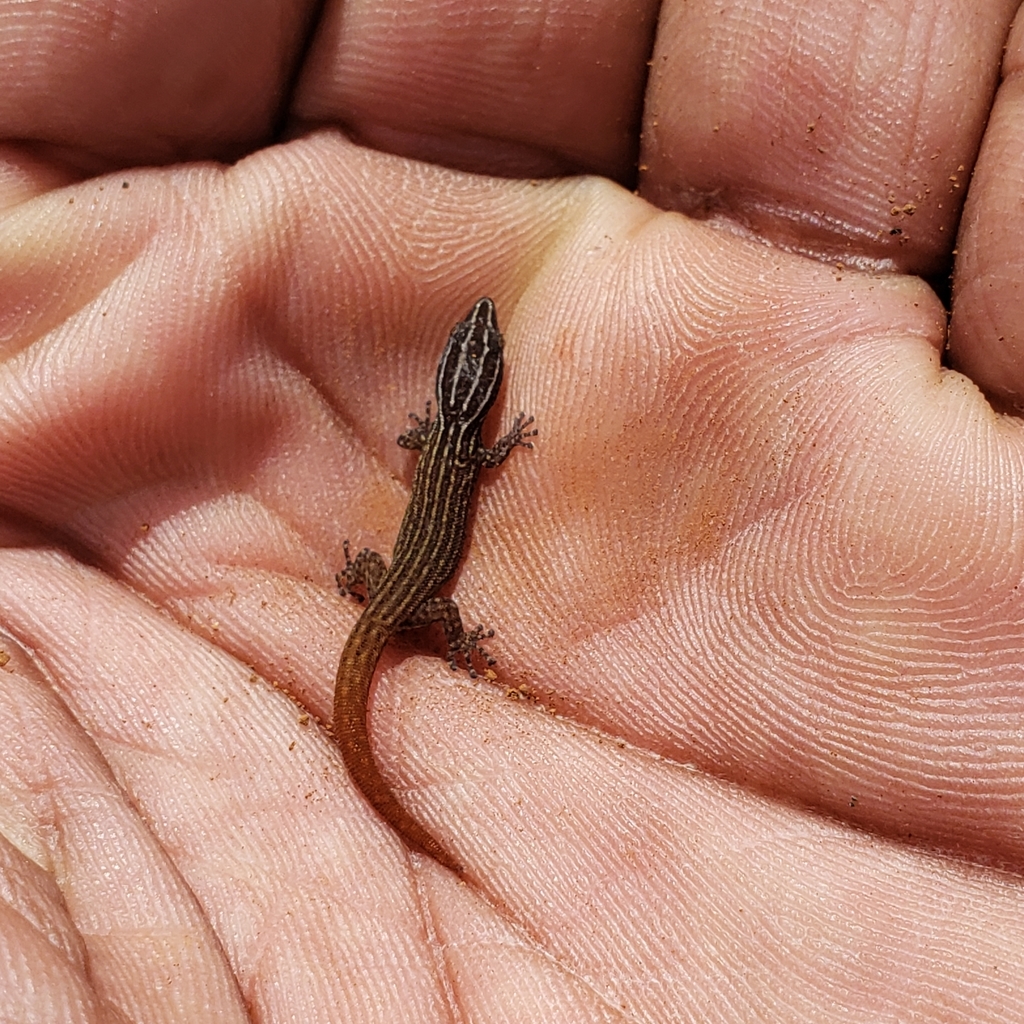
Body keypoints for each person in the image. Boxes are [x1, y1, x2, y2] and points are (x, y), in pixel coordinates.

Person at [1, 1, 1021, 1020]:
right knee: (428, 612)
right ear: (474, 388)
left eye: (476, 354)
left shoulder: (441, 444)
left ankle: (403, 649)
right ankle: (424, 685)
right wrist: (465, 593)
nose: (478, 348)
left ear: (460, 389)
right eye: (476, 355)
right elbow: (470, 468)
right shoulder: (463, 454)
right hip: (407, 604)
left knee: (397, 585)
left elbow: (453, 460)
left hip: (390, 591)